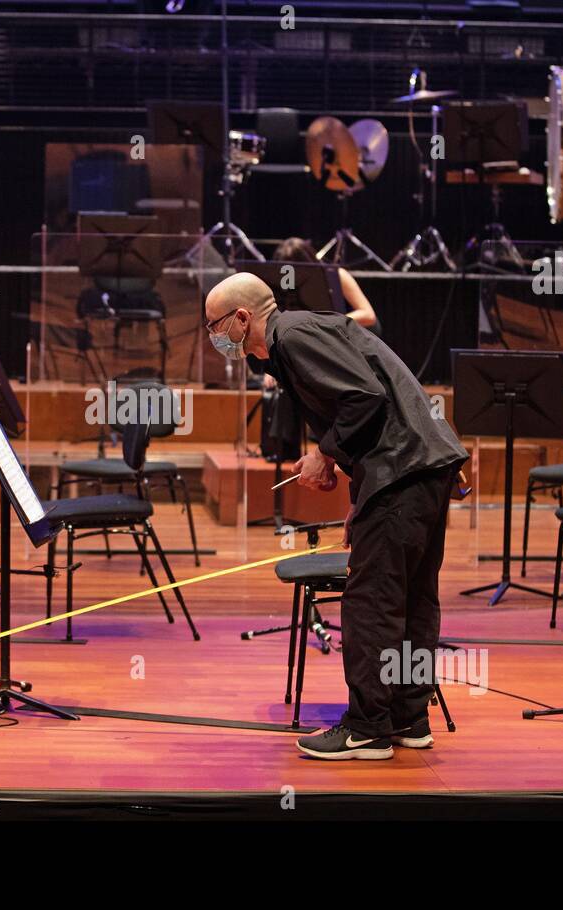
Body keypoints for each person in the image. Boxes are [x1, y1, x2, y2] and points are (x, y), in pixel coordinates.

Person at [204, 272, 468, 760]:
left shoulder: (294, 336)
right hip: (418, 470)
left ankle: (367, 728)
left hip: (406, 470)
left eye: (215, 326)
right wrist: (359, 498)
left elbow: (364, 398)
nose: (214, 338)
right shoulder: (297, 339)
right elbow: (368, 408)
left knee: (371, 602)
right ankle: (409, 718)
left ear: (242, 318)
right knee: (411, 600)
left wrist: (324, 453)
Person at [272, 236, 379, 333]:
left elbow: (368, 315)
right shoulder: (284, 281)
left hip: (344, 336)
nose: (289, 275)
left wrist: (324, 322)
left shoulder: (337, 275)